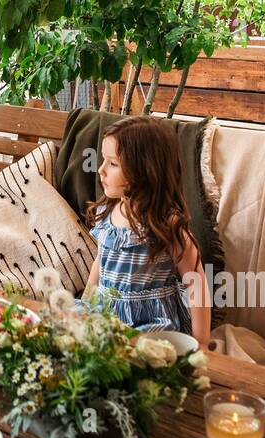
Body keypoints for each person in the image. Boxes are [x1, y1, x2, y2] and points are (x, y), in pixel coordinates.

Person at [83, 116, 211, 347]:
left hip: (150, 322)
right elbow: (99, 264)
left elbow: (196, 281)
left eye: (112, 164)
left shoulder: (166, 224)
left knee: (140, 359)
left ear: (143, 170)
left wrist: (201, 341)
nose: (100, 170)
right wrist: (86, 306)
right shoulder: (109, 211)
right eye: (103, 160)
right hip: (105, 314)